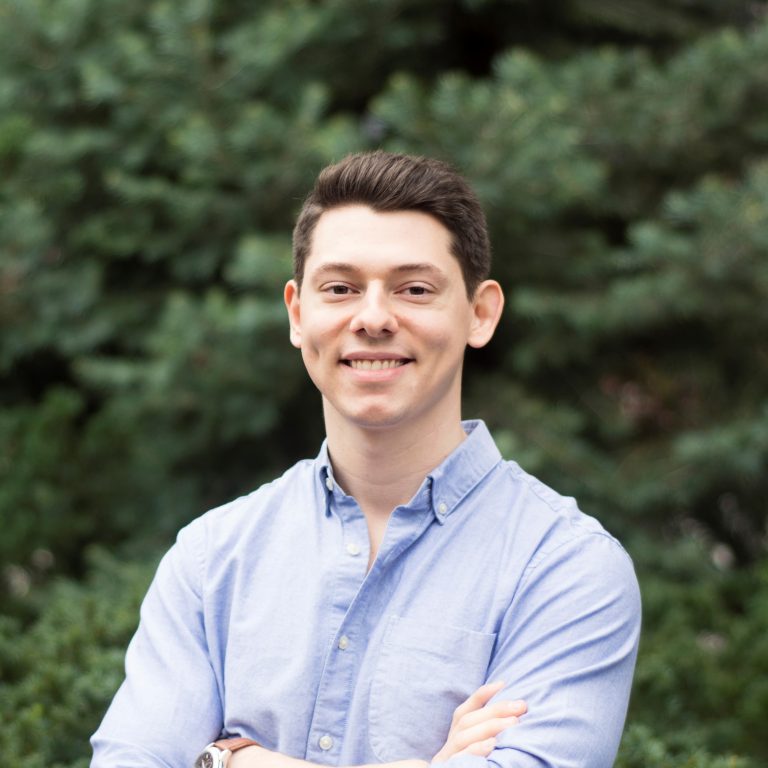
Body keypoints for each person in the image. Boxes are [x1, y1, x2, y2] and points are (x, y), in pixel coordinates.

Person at [91, 151, 641, 768]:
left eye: (415, 289)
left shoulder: (566, 567)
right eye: (340, 289)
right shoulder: (211, 560)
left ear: (480, 313)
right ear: (298, 313)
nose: (373, 318)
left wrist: (229, 760)